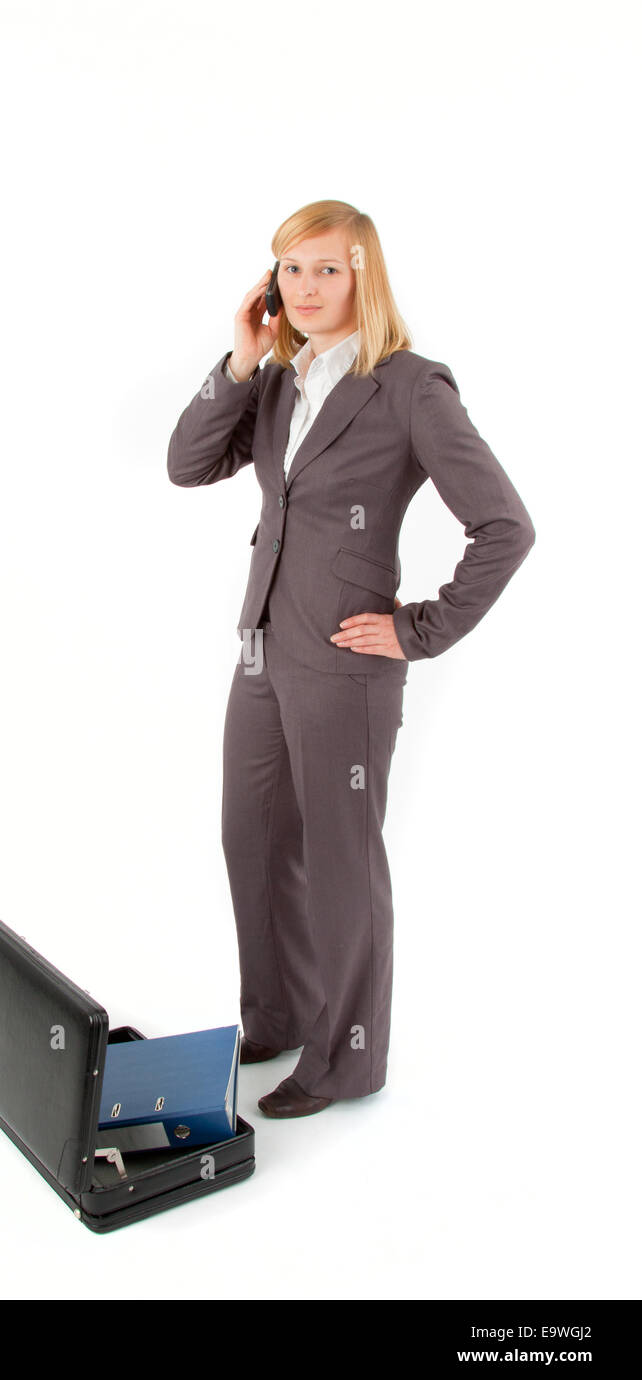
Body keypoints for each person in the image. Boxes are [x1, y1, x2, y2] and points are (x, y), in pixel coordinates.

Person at [166, 199, 535, 1118]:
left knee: (340, 857)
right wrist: (244, 360)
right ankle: (281, 1012)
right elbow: (187, 463)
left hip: (343, 660)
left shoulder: (410, 387)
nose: (305, 286)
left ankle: (347, 1060)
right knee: (250, 836)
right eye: (290, 269)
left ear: (364, 274)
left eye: (326, 268)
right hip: (261, 649)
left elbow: (506, 527)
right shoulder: (282, 382)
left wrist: (417, 630)